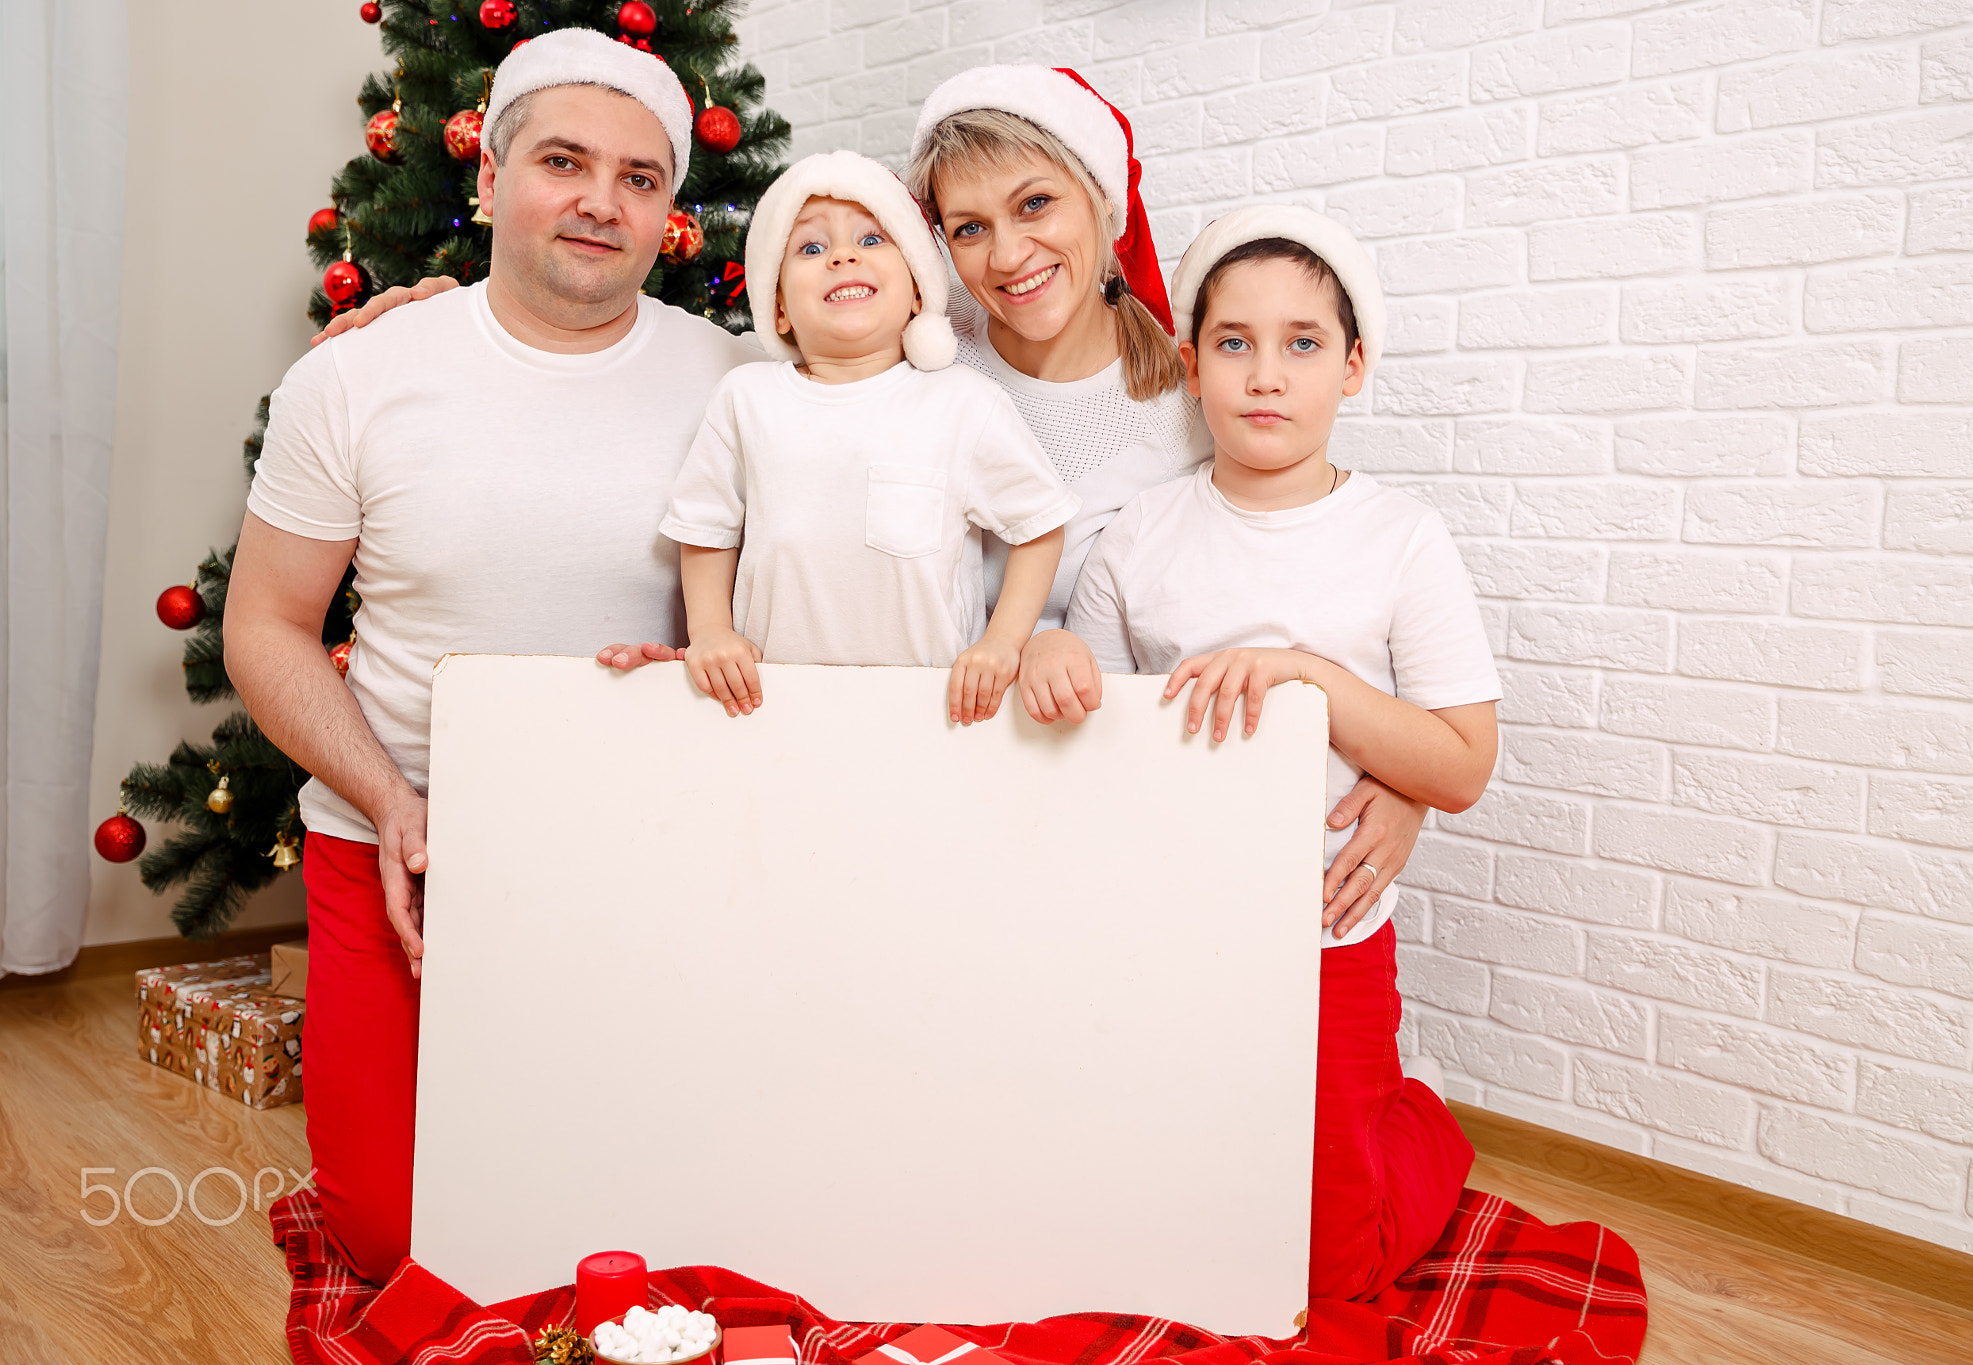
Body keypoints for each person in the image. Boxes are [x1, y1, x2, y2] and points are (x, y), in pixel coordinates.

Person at [315, 62, 1425, 952]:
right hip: (900, 776)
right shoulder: (901, 363)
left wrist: (1390, 778)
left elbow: (1310, 569)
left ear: (1099, 199)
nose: (1008, 253)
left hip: (1123, 805)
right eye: (966, 228)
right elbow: (725, 471)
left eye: (1035, 205)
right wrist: (433, 315)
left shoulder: (1207, 390)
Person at [221, 30, 759, 1285]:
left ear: (669, 213)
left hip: (652, 854)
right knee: (396, 1245)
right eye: (562, 161)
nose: (599, 201)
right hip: (403, 851)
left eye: (638, 177)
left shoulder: (739, 383)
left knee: (654, 1226)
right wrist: (389, 804)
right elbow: (264, 626)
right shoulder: (355, 380)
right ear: (487, 177)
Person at [1064, 205, 1502, 1302]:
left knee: (1323, 1271)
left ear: (1351, 368)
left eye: (1302, 344)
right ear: (1188, 362)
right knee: (1162, 1221)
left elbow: (1459, 768)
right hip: (1165, 936)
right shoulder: (1139, 536)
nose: (1265, 374)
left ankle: (1421, 1119)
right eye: (1232, 343)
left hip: (1326, 935)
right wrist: (1036, 656)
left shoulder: (1399, 537)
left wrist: (1313, 680)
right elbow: (1085, 738)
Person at [596, 151, 1076, 726]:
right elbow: (706, 528)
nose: (844, 256)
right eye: (811, 249)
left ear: (919, 290)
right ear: (778, 308)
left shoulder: (963, 403)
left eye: (872, 240)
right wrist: (712, 632)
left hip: (931, 710)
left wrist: (1002, 642)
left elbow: (1040, 525)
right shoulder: (747, 399)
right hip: (771, 705)